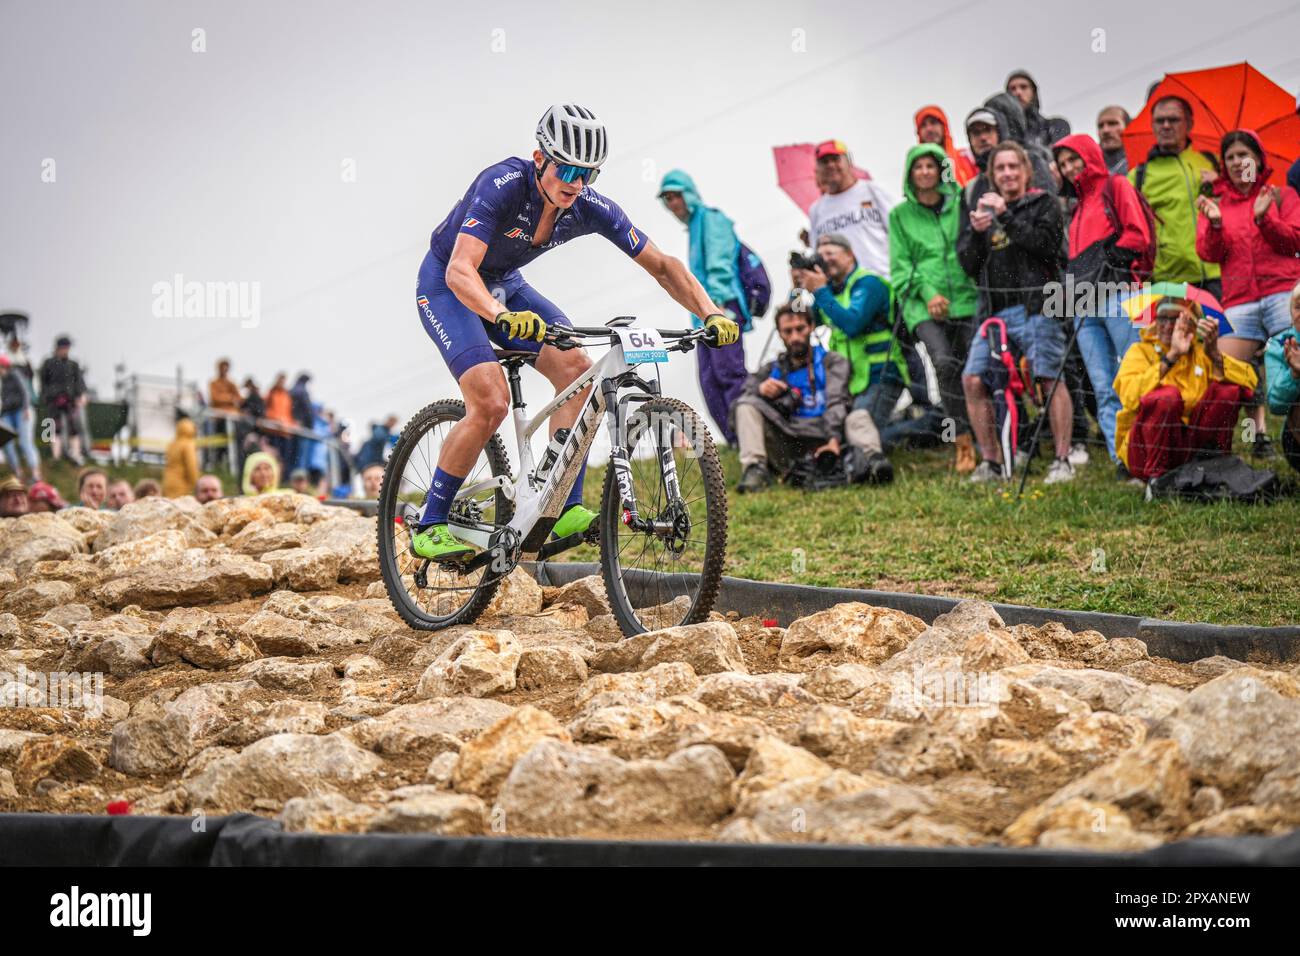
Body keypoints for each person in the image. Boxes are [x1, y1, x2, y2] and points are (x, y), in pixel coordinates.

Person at [410, 102, 738, 561]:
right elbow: (461, 271)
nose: (575, 183)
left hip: (506, 287)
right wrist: (500, 318)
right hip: (448, 285)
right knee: (490, 399)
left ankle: (564, 503)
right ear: (540, 158)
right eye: (565, 168)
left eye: (588, 173)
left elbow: (662, 266)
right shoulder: (500, 184)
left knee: (577, 368)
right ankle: (431, 519)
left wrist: (710, 312)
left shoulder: (587, 206)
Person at [958, 141, 1076, 484]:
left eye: (1013, 167)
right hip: (995, 313)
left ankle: (1062, 460)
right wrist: (977, 235)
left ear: (1026, 171)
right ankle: (992, 463)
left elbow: (1046, 245)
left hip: (1038, 306)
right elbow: (969, 266)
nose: (1007, 173)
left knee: (1048, 377)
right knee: (973, 379)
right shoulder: (984, 213)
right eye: (1000, 168)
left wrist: (1006, 216)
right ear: (992, 176)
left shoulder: (1044, 203)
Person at [1196, 129, 1300, 460]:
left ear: (1258, 158)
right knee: (1224, 371)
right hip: (1240, 300)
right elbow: (1208, 254)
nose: (1238, 162)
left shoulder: (1282, 195)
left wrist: (1264, 219)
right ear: (1223, 165)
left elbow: (1294, 241)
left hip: (1283, 293)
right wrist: (1213, 223)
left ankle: (1294, 437)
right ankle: (1249, 440)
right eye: (1230, 157)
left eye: (1245, 155)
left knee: (1295, 363)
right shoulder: (1216, 204)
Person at [1053, 133, 1152, 470]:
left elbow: (1138, 234)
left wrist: (1108, 258)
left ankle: (1148, 451)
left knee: (1134, 376)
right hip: (1084, 301)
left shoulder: (1116, 185)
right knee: (1103, 385)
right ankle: (1121, 458)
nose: (1068, 169)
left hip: (1121, 294)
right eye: (1062, 163)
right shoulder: (1076, 207)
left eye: (1073, 159)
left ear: (1089, 155)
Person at [890, 143, 981, 472]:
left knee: (976, 368)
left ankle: (991, 438)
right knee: (944, 365)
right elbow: (900, 269)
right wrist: (928, 293)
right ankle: (962, 443)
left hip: (967, 298)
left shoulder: (961, 204)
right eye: (919, 167)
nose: (925, 172)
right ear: (910, 173)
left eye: (931, 165)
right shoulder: (899, 216)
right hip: (923, 307)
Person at [732, 305, 889, 492]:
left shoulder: (832, 362)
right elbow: (742, 396)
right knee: (745, 406)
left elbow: (837, 401)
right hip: (789, 439)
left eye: (800, 329)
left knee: (859, 416)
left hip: (827, 435)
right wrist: (760, 389)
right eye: (787, 331)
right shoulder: (772, 369)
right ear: (780, 334)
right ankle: (754, 470)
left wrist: (833, 439)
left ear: (812, 326)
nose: (795, 337)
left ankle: (874, 462)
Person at [656, 169, 751, 445]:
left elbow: (720, 264)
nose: (673, 203)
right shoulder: (694, 227)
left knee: (729, 375)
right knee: (709, 380)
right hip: (703, 317)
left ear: (688, 194)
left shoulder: (711, 219)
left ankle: (749, 440)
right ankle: (735, 441)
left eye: (676, 195)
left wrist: (717, 309)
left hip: (721, 311)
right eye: (667, 198)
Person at [1114, 298, 1257, 480]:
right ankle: (1156, 480)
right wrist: (1171, 357)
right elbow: (1129, 398)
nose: (1167, 326)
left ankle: (1217, 466)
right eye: (1162, 318)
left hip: (1188, 446)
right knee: (1166, 397)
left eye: (1176, 320)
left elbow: (1250, 381)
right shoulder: (1140, 351)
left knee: (1227, 392)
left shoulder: (1201, 354)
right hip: (1143, 452)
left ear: (1192, 324)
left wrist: (1214, 354)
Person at [794, 234, 898, 465]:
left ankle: (926, 428)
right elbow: (799, 320)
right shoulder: (830, 292)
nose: (826, 260)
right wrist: (797, 290)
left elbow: (852, 324)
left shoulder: (868, 283)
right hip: (849, 380)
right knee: (837, 430)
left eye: (831, 253)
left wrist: (820, 292)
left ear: (850, 254)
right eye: (822, 255)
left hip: (881, 373)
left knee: (856, 428)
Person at [1129, 96, 1221, 292]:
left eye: (1174, 119)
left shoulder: (1212, 161)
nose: (1166, 125)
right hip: (1167, 281)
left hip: (1218, 272)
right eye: (1159, 121)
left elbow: (1252, 181)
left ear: (1189, 124)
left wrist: (1223, 183)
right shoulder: (1137, 176)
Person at [808, 139, 898, 279]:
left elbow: (900, 233)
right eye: (824, 162)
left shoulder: (872, 190)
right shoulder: (816, 210)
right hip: (845, 294)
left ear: (849, 162)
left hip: (885, 282)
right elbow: (818, 253)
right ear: (817, 169)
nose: (831, 165)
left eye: (836, 159)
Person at [1264, 279, 1300, 472]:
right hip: (1296, 443)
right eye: (1298, 307)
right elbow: (1276, 405)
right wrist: (1294, 375)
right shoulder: (1279, 344)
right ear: (1290, 313)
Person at [38, 334, 88, 465]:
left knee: (74, 428)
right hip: (53, 402)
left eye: (68, 347)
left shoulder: (73, 365)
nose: (66, 350)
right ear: (58, 348)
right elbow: (43, 382)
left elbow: (79, 382)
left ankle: (76, 455)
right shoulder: (48, 363)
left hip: (70, 401)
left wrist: (81, 395)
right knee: (52, 428)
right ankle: (55, 457)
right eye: (64, 347)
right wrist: (47, 396)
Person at [1005, 70, 1071, 151]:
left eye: (1023, 87)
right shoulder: (1001, 133)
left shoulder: (1055, 126)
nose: (1018, 92)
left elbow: (1060, 156)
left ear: (1033, 92)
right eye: (1012, 89)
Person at [1, 355, 41, 482]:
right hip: (7, 413)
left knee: (25, 441)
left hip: (22, 411)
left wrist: (26, 408)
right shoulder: (2, 381)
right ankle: (18, 473)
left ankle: (35, 473)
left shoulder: (15, 374)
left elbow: (25, 391)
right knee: (6, 441)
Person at [914, 105, 977, 186]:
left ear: (944, 127)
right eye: (923, 125)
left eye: (933, 122)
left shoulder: (968, 157)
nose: (929, 129)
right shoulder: (916, 167)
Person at [162, 417, 200, 498]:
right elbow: (191, 466)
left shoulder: (172, 444)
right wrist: (196, 484)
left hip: (168, 481)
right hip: (182, 483)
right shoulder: (188, 444)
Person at [1096, 106, 1131, 175]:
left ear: (1128, 127)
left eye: (1112, 123)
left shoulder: (1142, 164)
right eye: (1101, 126)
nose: (1105, 130)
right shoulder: (1087, 168)